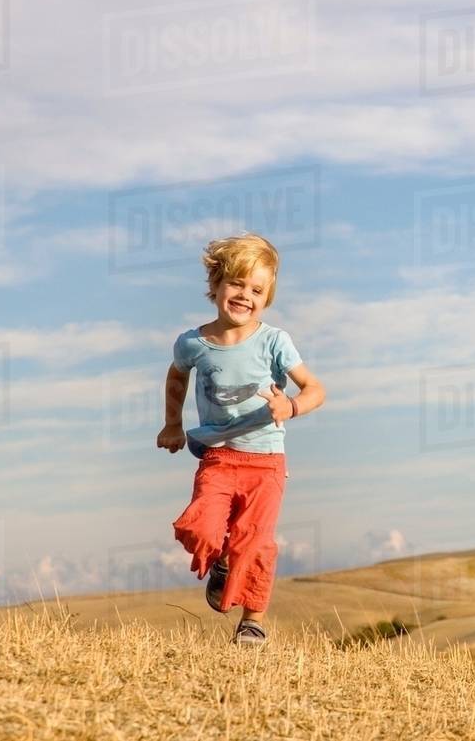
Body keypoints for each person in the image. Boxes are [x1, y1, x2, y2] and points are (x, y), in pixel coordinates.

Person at [155, 232, 325, 646]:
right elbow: (177, 376)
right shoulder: (193, 343)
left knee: (256, 541)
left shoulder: (274, 341)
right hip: (217, 457)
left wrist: (292, 407)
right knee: (202, 530)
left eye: (257, 289)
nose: (245, 295)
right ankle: (221, 565)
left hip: (266, 461)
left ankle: (252, 621)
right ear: (214, 286)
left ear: (267, 296)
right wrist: (172, 424)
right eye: (236, 283)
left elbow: (315, 389)